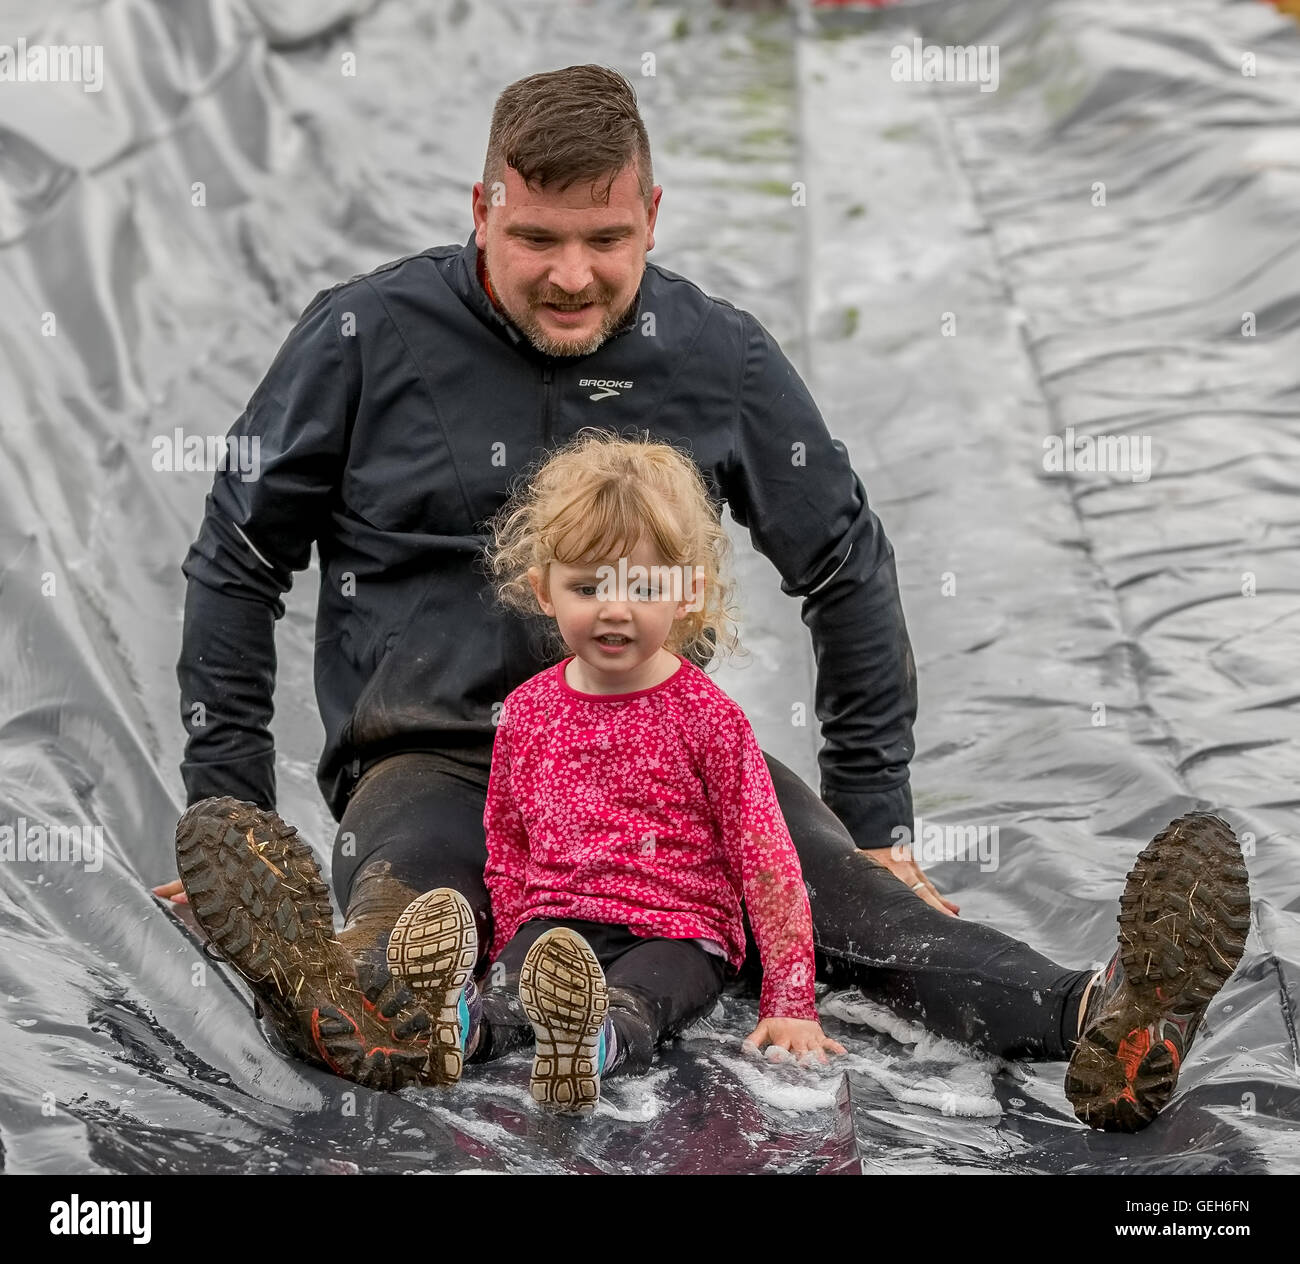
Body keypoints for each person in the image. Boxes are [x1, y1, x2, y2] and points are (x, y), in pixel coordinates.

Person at [158, 64, 1251, 1132]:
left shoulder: (715, 353)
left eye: (606, 239)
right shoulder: (364, 337)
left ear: (652, 218)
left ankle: (1107, 1015)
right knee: (418, 929)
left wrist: (875, 820)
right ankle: (341, 988)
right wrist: (235, 810)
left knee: (855, 909)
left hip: (666, 756)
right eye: (537, 237)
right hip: (437, 761)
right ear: (481, 211)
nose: (572, 274)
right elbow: (238, 557)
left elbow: (844, 563)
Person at [381, 432, 842, 1113]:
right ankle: (461, 1024)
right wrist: (509, 939)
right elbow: (508, 845)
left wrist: (791, 998)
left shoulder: (707, 718)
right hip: (558, 919)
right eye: (589, 585)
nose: (615, 608)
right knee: (513, 993)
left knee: (641, 999)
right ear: (544, 591)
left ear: (688, 593)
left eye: (642, 585)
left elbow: (766, 859)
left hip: (679, 928)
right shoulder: (530, 712)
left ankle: (590, 1044)